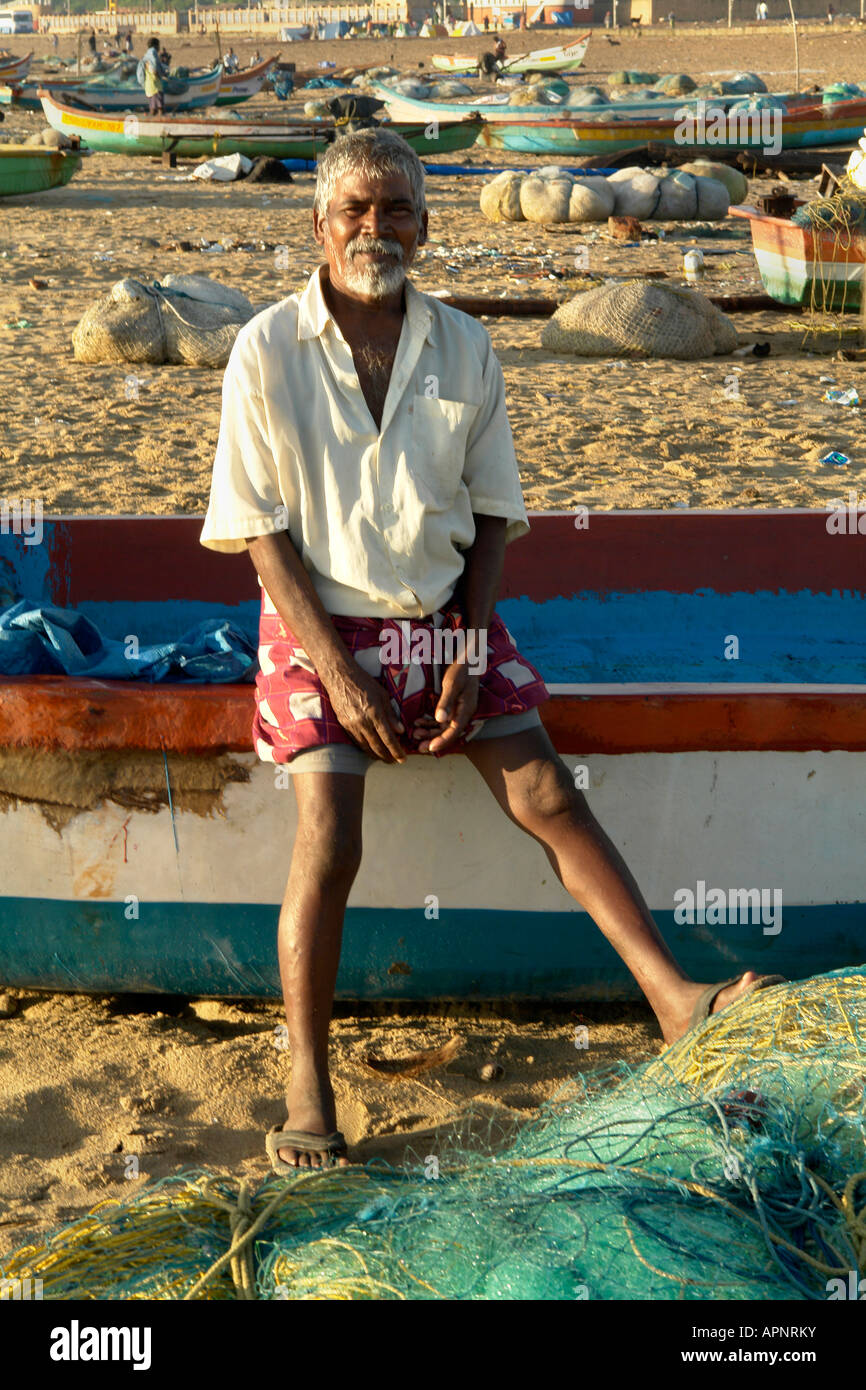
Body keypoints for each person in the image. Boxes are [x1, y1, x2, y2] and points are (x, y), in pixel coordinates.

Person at [200, 128, 779, 1170]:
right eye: (355, 210)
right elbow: (258, 531)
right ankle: (308, 1091)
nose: (376, 229)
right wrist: (338, 672)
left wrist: (464, 647)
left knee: (548, 793)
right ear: (317, 223)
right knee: (328, 840)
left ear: (425, 223)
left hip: (439, 616)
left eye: (398, 210)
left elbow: (491, 516)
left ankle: (675, 998)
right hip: (313, 627)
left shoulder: (462, 344)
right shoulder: (265, 349)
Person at [141, 36, 166, 115]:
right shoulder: (153, 54)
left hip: (149, 86)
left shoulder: (146, 55)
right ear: (156, 46)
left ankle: (151, 123)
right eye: (158, 45)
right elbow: (154, 68)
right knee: (160, 108)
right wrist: (159, 74)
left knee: (153, 108)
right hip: (156, 86)